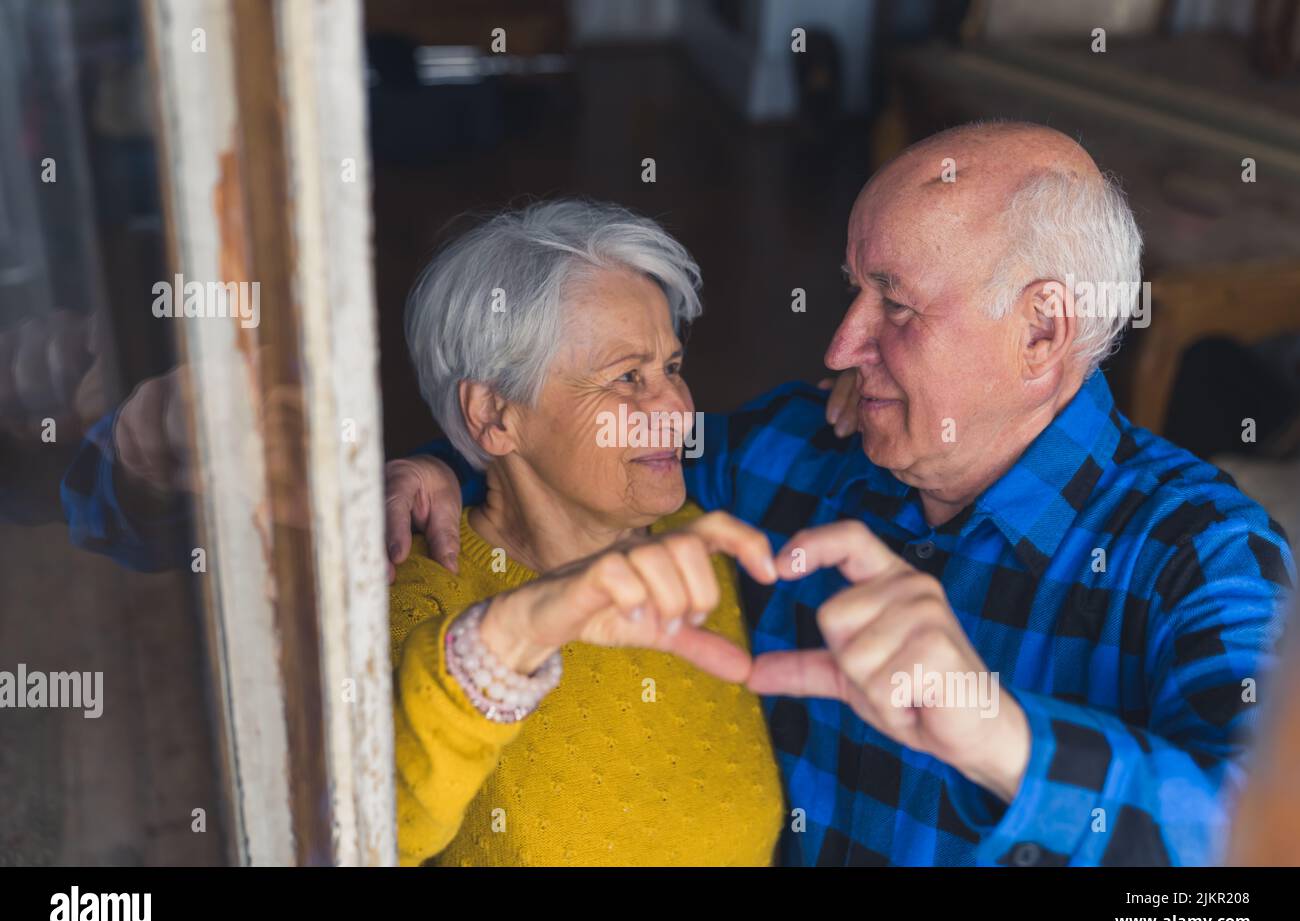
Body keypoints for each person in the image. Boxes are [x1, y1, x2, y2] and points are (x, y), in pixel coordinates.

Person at [386, 122, 1295, 865]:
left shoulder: (1200, 552)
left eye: (894, 305)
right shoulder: (802, 452)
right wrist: (437, 469)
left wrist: (1004, 737)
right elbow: (583, 456)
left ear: (1041, 330)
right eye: (853, 290)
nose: (840, 346)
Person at [390, 198, 784, 865]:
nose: (678, 409)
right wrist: (504, 642)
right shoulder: (421, 596)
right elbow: (372, 833)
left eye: (672, 368)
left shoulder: (698, 545)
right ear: (494, 414)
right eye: (627, 377)